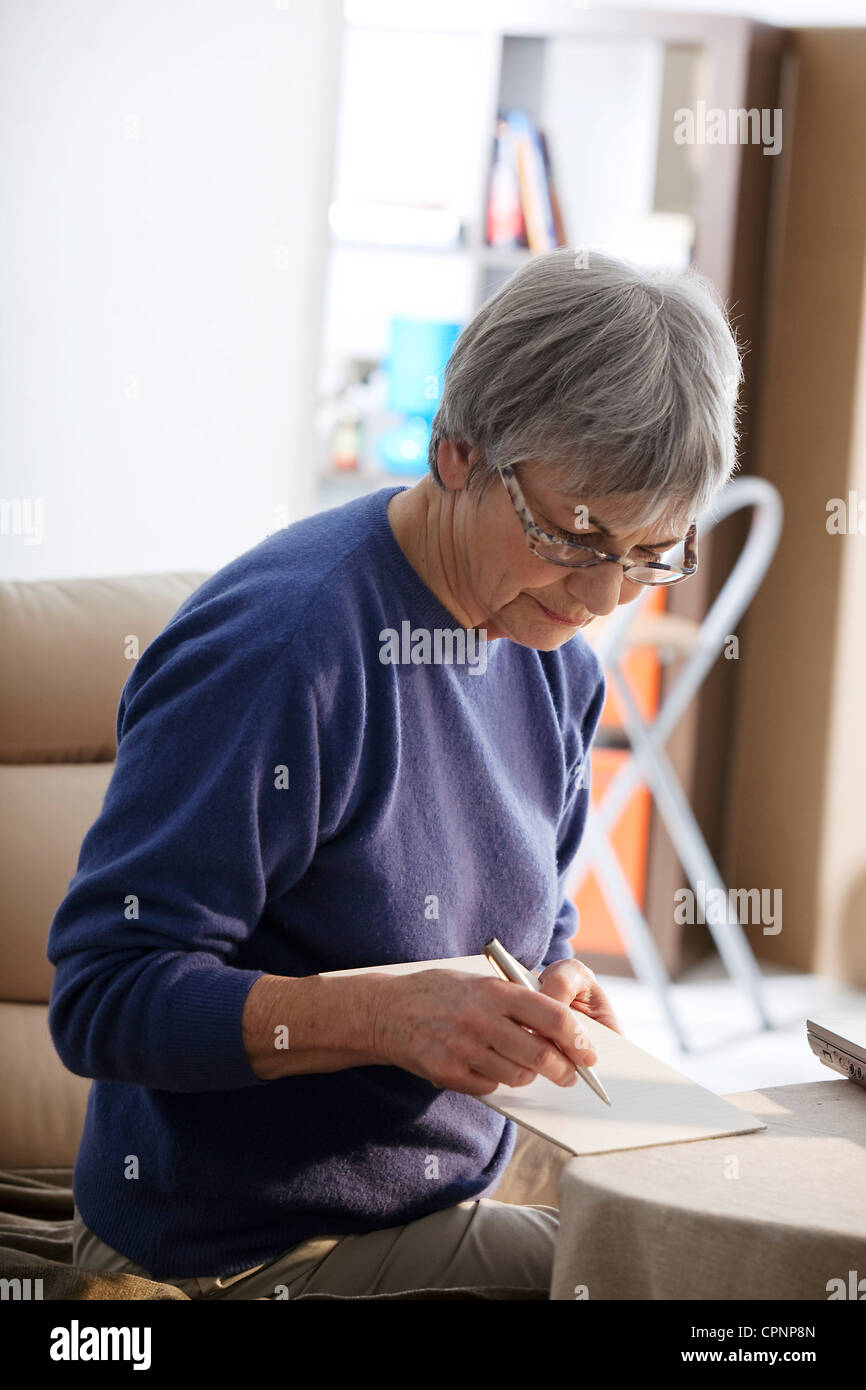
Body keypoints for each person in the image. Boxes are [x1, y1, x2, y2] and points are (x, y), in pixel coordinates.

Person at [48, 247, 741, 1299]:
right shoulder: (286, 652)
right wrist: (379, 1018)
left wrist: (548, 989)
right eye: (574, 533)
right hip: (237, 1250)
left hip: (448, 1193)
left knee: (747, 1238)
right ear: (455, 450)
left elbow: (529, 933)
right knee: (690, 1286)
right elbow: (101, 997)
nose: (601, 596)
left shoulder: (550, 658)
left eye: (649, 554)